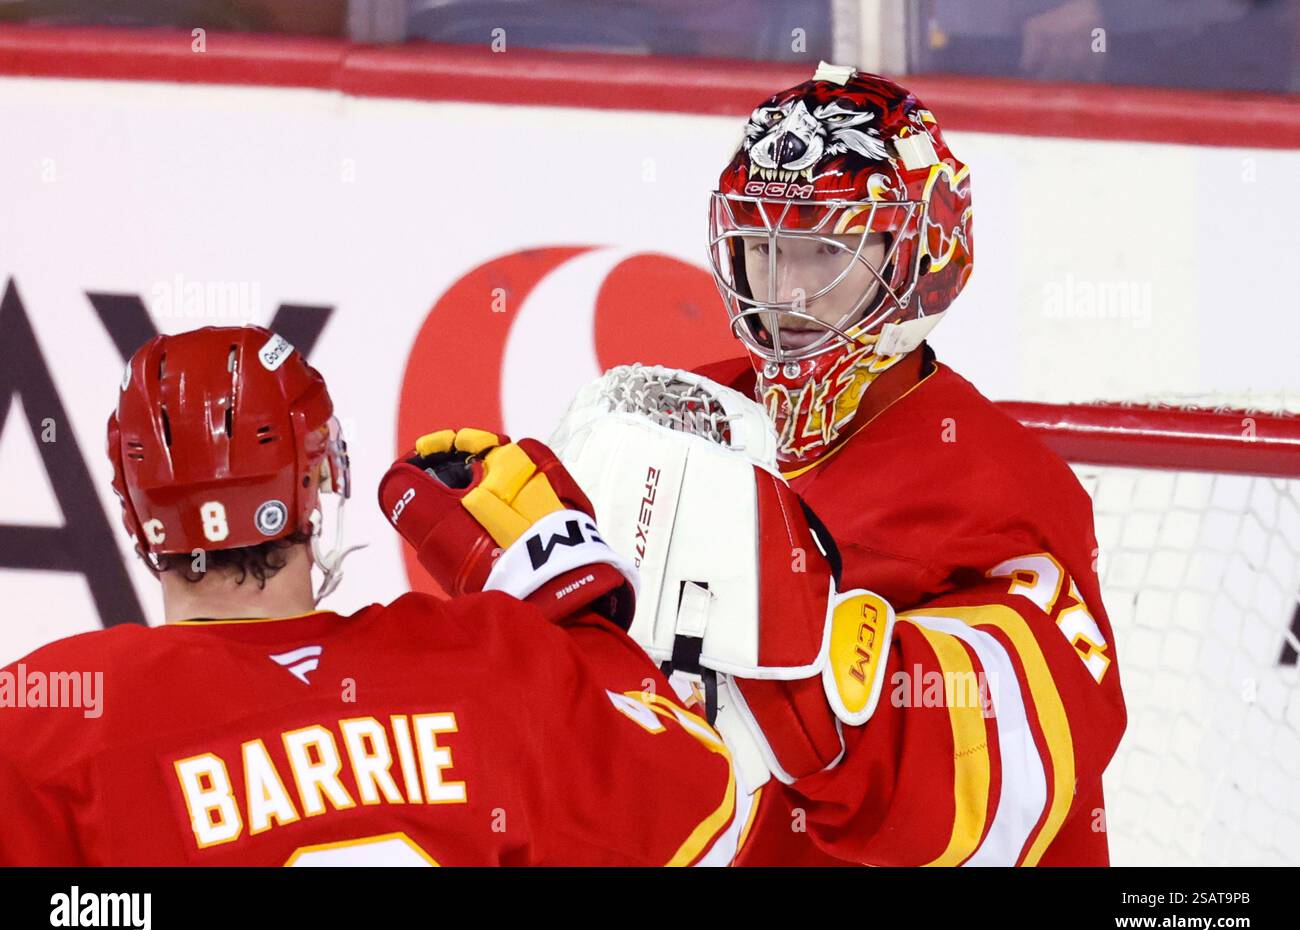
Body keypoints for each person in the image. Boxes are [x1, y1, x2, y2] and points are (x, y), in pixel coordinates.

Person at [0, 325, 744, 866]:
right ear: (323, 476)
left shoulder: (44, 715)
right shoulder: (492, 658)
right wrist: (572, 606)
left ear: (133, 508)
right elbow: (700, 799)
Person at [688, 62, 1127, 865]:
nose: (779, 291)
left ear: (920, 254)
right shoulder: (688, 415)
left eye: (821, 252)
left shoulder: (1000, 487)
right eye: (758, 243)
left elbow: (1020, 767)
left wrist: (812, 678)